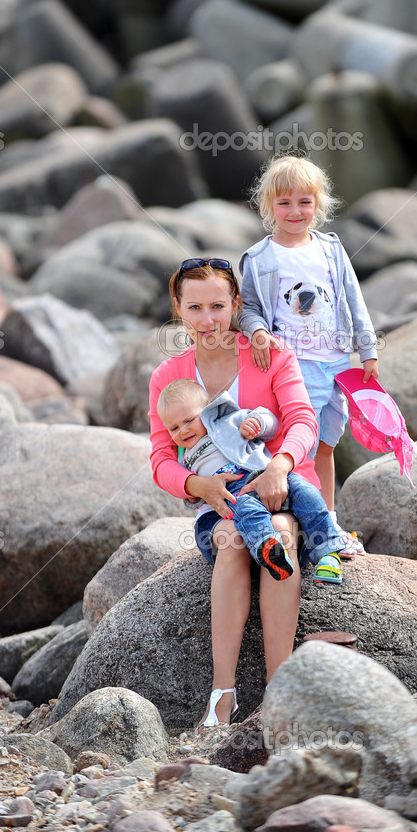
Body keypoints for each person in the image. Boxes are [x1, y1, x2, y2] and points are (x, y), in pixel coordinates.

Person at [149, 257, 322, 731]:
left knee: (280, 533)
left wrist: (280, 467)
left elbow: (303, 420)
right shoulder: (168, 377)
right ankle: (222, 694)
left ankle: (278, 690)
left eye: (218, 306)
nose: (208, 320)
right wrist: (198, 486)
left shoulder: (271, 355)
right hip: (222, 503)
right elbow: (160, 458)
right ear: (178, 308)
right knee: (231, 539)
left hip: (282, 491)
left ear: (236, 304)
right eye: (195, 308)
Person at [239, 154, 380, 555]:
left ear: (318, 204)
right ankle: (313, 526)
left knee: (327, 443)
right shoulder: (260, 258)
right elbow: (247, 309)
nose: (295, 211)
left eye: (304, 202)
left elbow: (353, 298)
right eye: (284, 203)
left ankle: (328, 518)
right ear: (268, 206)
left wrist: (367, 350)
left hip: (336, 360)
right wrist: (259, 333)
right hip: (294, 364)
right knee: (300, 444)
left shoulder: (330, 249)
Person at [157, 378, 345, 584]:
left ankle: (328, 552)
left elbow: (272, 423)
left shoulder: (229, 420)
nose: (183, 431)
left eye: (188, 420)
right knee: (246, 511)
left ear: (207, 410)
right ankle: (269, 548)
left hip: (266, 475)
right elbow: (191, 491)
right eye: (173, 428)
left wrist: (257, 422)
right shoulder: (184, 458)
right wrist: (195, 493)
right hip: (233, 491)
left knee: (306, 493)